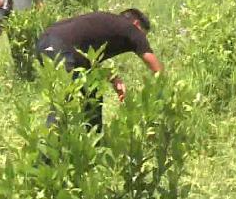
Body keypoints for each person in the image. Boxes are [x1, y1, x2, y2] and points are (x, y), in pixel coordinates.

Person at [35, 8, 163, 130]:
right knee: (63, 101)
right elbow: (156, 68)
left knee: (93, 96)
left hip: (47, 41)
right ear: (136, 23)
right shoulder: (130, 28)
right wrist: (165, 91)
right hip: (59, 46)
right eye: (143, 35)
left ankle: (94, 146)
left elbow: (87, 57)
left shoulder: (108, 24)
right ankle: (46, 150)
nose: (142, 39)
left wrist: (113, 78)